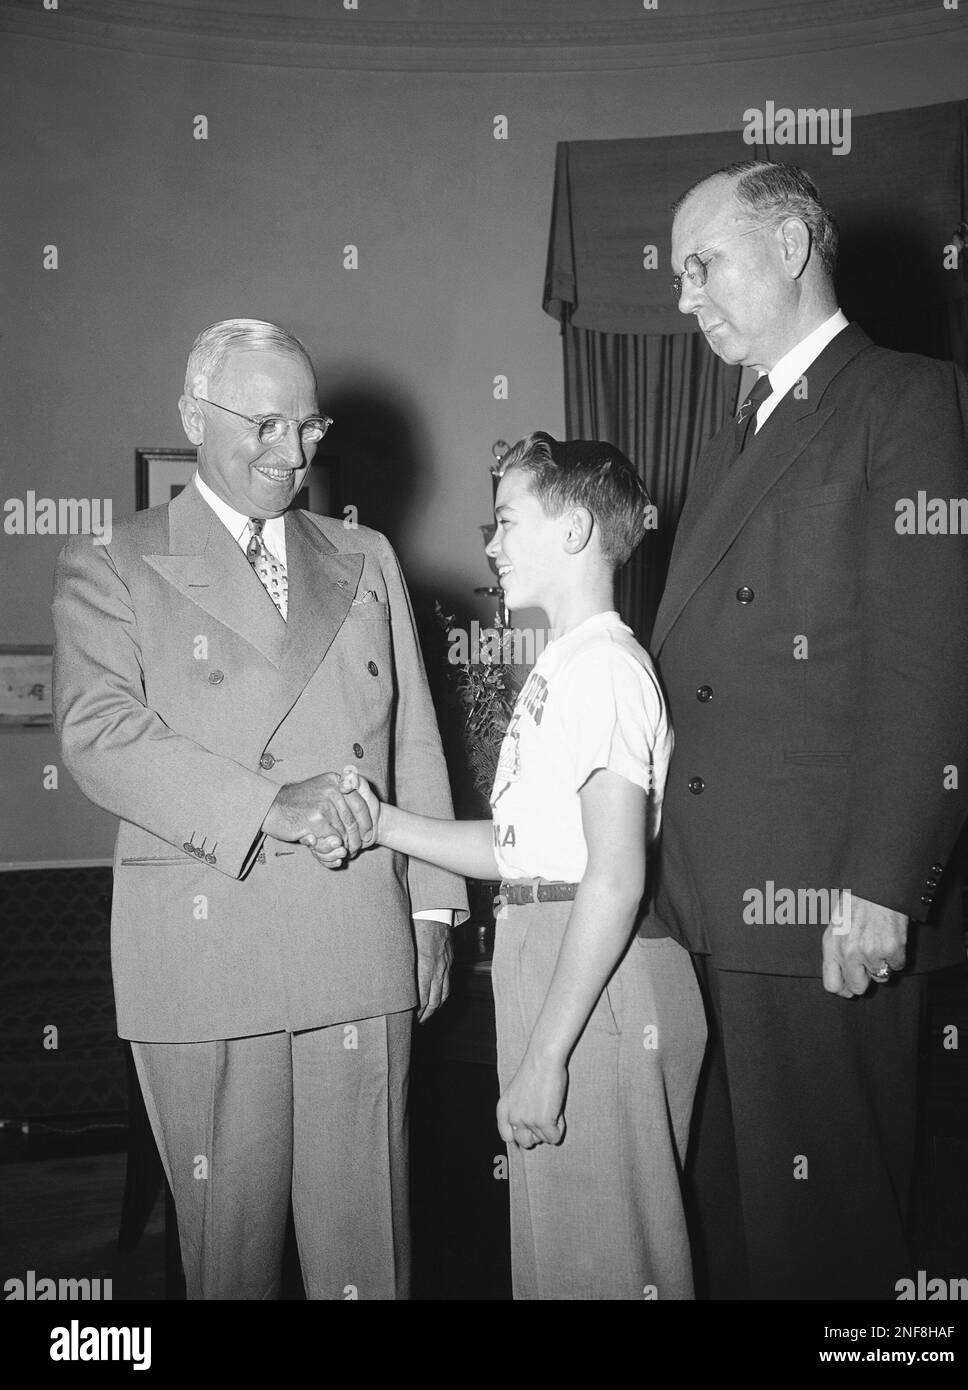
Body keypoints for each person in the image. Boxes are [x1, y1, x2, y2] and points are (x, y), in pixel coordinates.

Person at [51, 317, 468, 1300]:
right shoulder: (114, 559)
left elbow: (413, 737)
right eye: (264, 425)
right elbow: (98, 734)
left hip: (357, 939)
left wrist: (434, 911)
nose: (293, 453)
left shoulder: (363, 555)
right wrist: (268, 804)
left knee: (371, 1258)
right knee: (227, 1263)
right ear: (193, 415)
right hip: (204, 955)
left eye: (309, 427)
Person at [649, 161, 968, 1299]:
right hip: (707, 898)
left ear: (792, 245)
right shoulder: (730, 433)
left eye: (700, 264)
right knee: (736, 1224)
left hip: (821, 900)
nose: (683, 297)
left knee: (827, 1236)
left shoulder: (912, 400)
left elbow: (941, 655)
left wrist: (883, 878)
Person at [312, 432, 707, 1300]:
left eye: (506, 520)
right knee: (563, 1259)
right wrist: (382, 824)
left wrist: (546, 1055)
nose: (489, 544)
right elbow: (512, 849)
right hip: (555, 954)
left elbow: (613, 877)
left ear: (572, 530)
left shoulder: (604, 667)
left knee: (611, 1266)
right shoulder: (563, 668)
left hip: (595, 975)